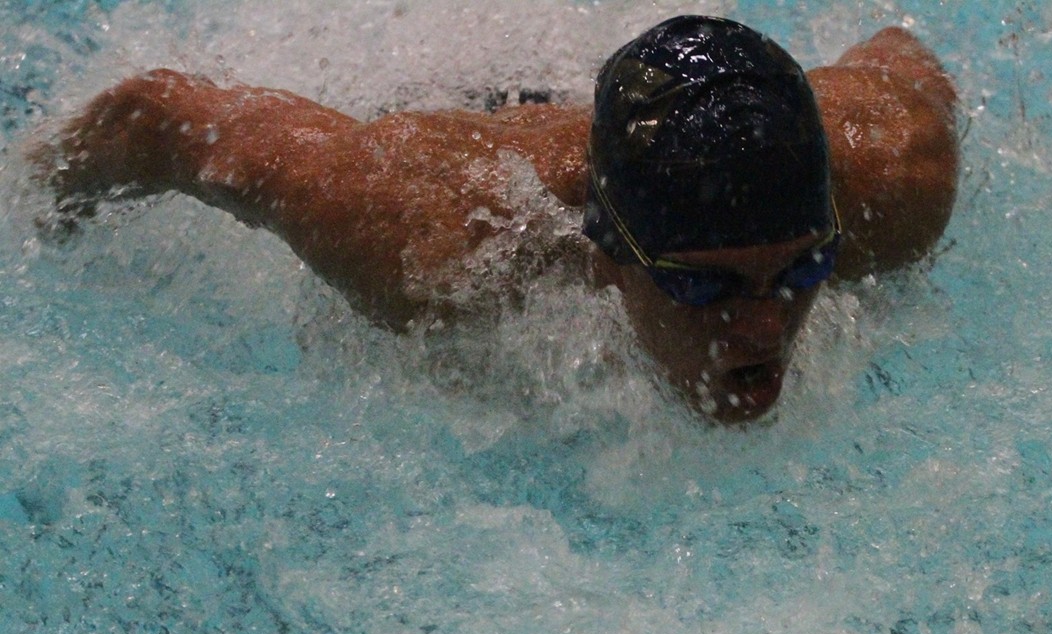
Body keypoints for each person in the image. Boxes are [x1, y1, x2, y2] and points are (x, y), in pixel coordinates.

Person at [33, 16, 959, 422]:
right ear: (605, 252)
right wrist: (35, 218)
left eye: (799, 273)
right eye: (701, 284)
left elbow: (902, 56)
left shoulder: (895, 179)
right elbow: (155, 117)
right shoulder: (424, 232)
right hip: (463, 121)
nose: (761, 326)